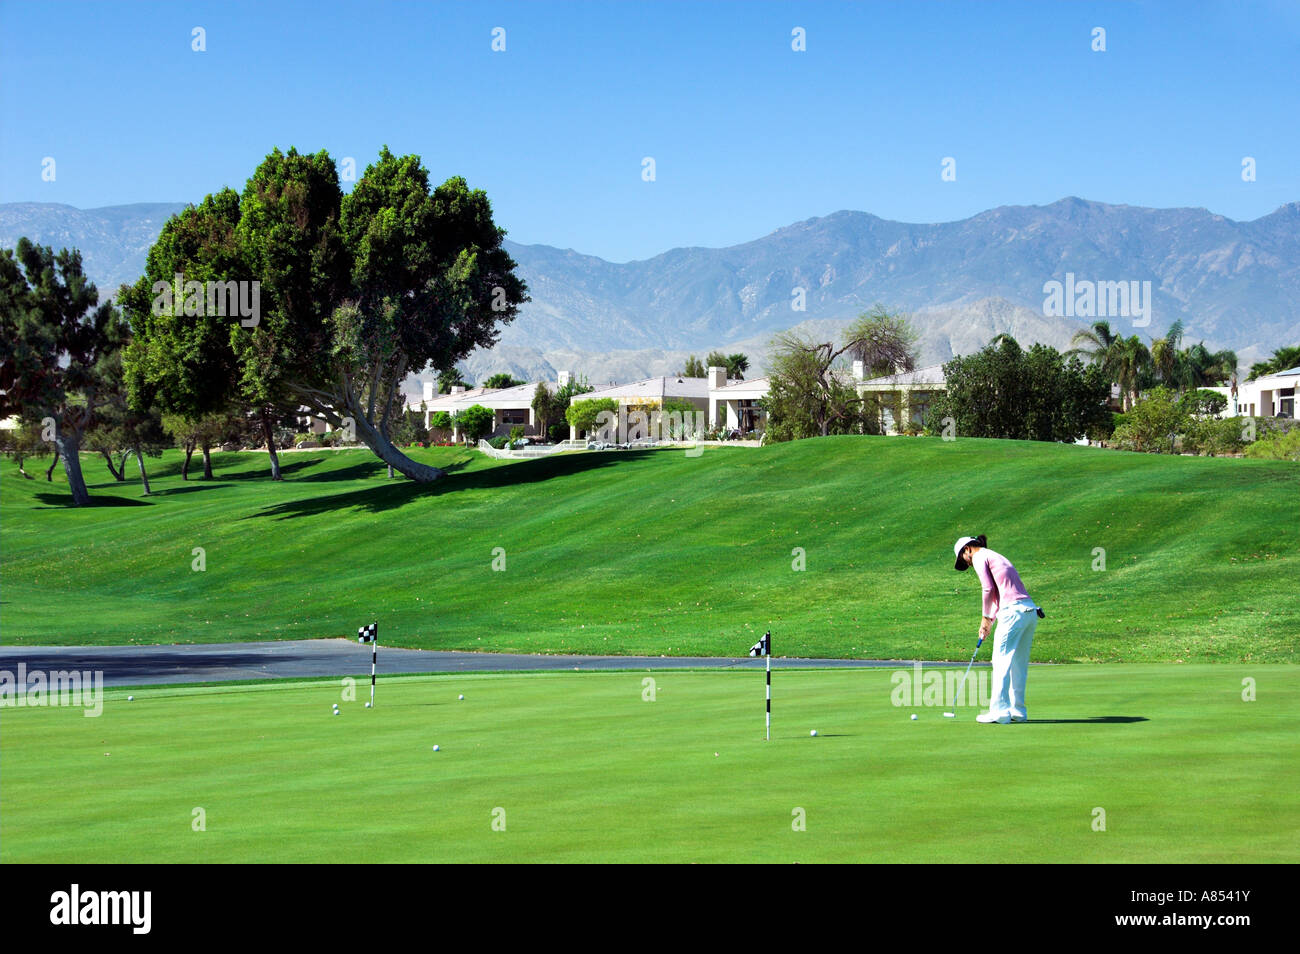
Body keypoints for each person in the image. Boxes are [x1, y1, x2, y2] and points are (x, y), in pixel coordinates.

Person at [952, 534, 1042, 724]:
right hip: (1029, 611)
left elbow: (987, 589)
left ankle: (999, 711)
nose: (967, 564)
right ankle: (1017, 711)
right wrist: (990, 620)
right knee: (1018, 663)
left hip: (1012, 613)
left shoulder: (978, 556)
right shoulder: (995, 555)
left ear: (967, 549)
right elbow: (1001, 590)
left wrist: (985, 618)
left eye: (963, 559)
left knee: (1000, 660)